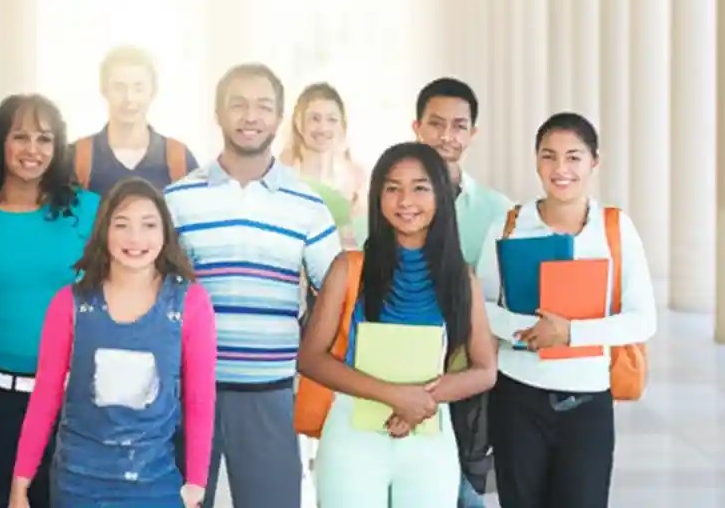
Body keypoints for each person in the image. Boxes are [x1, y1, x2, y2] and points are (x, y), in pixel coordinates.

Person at [163, 63, 344, 508]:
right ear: (218, 114)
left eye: (263, 106)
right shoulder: (177, 200)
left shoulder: (308, 206)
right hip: (186, 394)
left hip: (271, 393)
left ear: (280, 118)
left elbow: (337, 297)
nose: (251, 116)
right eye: (238, 104)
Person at [298, 142, 497, 507]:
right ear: (377, 197)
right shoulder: (349, 268)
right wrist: (394, 396)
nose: (406, 200)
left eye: (420, 187)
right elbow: (311, 358)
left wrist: (420, 401)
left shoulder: (461, 278)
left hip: (428, 432)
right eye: (393, 188)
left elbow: (485, 370)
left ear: (440, 194)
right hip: (353, 433)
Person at [476, 112, 657, 508]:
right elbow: (481, 307)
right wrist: (532, 328)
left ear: (595, 162)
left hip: (587, 403)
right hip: (517, 398)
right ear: (536, 161)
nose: (561, 169)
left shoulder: (614, 228)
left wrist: (571, 332)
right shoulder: (508, 225)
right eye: (548, 156)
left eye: (573, 157)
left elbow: (643, 318)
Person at [10, 178, 217, 508]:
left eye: (148, 224)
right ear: (104, 231)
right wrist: (20, 482)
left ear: (165, 233)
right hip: (77, 485)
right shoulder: (69, 304)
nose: (135, 238)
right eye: (122, 224)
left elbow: (200, 399)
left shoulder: (191, 303)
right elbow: (45, 396)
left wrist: (196, 485)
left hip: (155, 485)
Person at [0, 94, 102, 508]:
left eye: (45, 139)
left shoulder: (89, 212)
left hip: (75, 398)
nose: (33, 150)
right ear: (0, 143)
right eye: (21, 137)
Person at [411, 76, 513, 506]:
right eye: (435, 124)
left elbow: (507, 295)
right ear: (417, 127)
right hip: (404, 370)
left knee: (468, 480)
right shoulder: (389, 202)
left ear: (473, 133)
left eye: (458, 125)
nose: (446, 135)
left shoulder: (499, 211)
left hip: (473, 374)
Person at [70, 45, 199, 194]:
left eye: (138, 88)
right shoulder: (77, 158)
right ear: (104, 89)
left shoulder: (179, 159)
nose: (129, 98)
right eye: (119, 87)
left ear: (153, 91)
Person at [281, 82, 370, 249]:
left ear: (342, 125)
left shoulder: (358, 179)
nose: (323, 128)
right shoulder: (283, 175)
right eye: (315, 119)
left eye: (332, 120)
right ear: (299, 123)